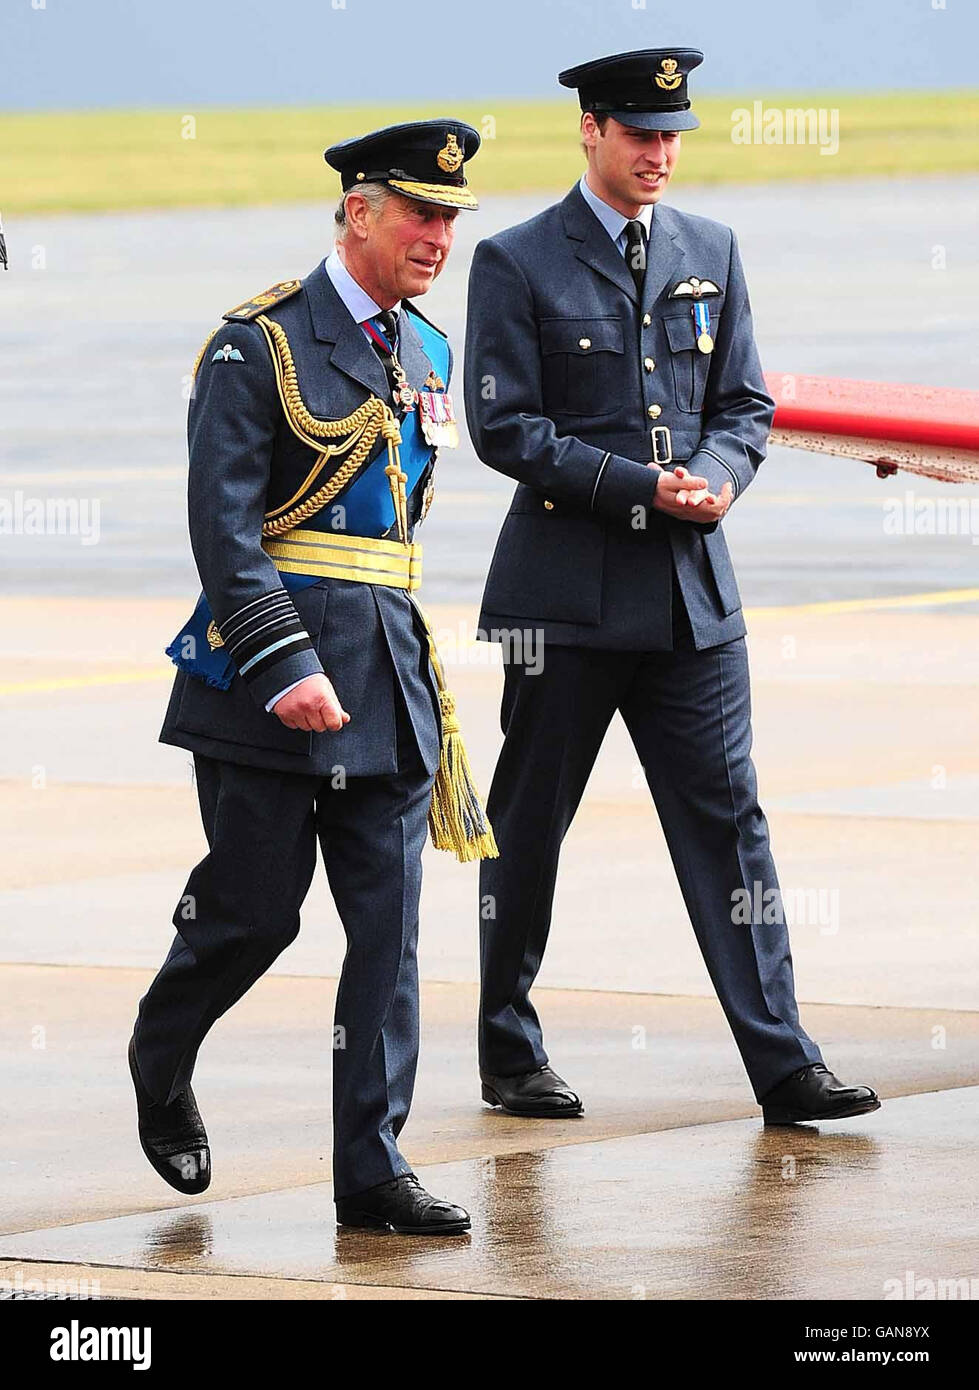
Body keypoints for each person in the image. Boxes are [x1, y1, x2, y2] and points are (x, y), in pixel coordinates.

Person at [464, 50, 879, 1127]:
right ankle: (509, 1051)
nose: (660, 154)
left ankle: (784, 1064)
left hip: (692, 600)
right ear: (591, 130)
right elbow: (504, 428)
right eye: (641, 134)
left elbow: (744, 404)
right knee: (530, 823)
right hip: (563, 601)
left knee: (729, 823)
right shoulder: (515, 262)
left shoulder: (712, 248)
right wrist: (646, 487)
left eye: (673, 134)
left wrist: (724, 478)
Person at [131, 119, 494, 1236]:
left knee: (388, 934)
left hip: (386, 676)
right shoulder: (260, 345)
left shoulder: (425, 352)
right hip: (264, 676)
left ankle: (371, 1170)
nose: (438, 235)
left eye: (449, 218)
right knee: (253, 912)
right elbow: (225, 532)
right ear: (359, 212)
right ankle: (161, 1047)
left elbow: (390, 535)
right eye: (420, 214)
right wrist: (285, 659)